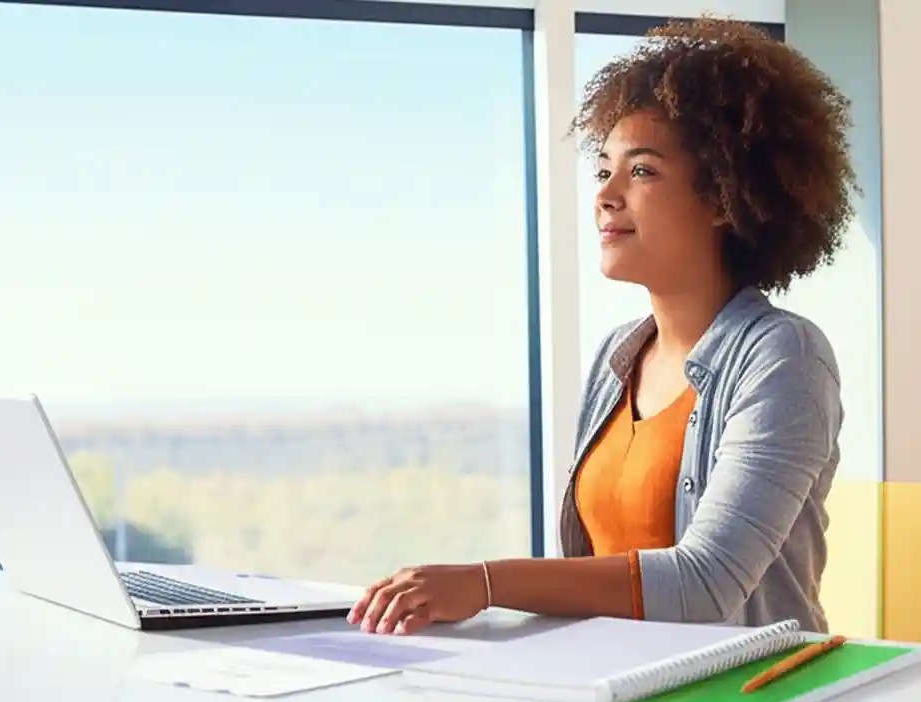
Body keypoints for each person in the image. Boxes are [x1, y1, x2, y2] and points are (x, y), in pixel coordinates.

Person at [347, 16, 855, 636]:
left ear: (724, 197)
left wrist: (484, 584)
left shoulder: (785, 357)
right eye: (603, 171)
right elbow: (593, 571)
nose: (606, 195)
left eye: (641, 171)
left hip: (745, 693)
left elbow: (706, 582)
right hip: (621, 686)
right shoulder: (619, 354)